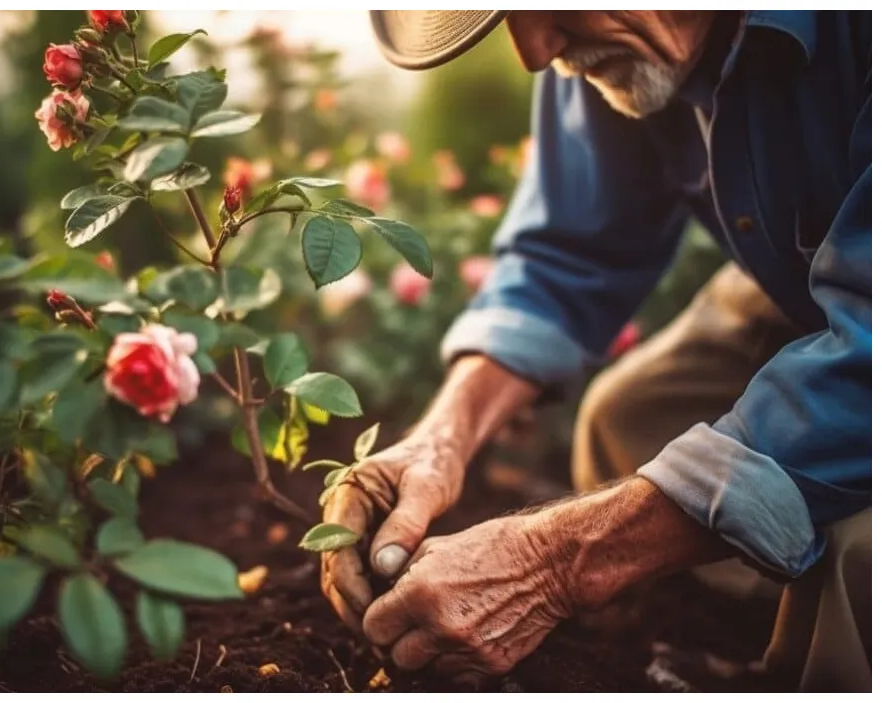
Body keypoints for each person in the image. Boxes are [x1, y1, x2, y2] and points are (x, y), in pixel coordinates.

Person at [320, 11, 871, 691]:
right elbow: (564, 258)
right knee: (628, 419)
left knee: (863, 552)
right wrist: (439, 441)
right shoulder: (613, 40)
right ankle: (772, 614)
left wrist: (559, 562)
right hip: (824, 288)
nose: (534, 53)